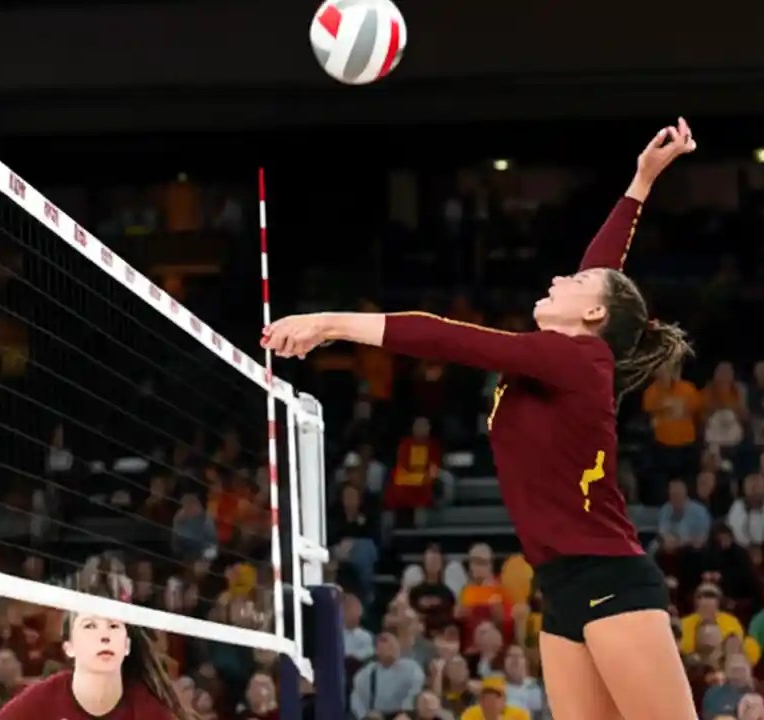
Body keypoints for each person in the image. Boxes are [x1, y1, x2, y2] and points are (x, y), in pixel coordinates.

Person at [263, 119, 699, 720]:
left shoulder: (577, 357)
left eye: (570, 281)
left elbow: (450, 340)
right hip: (563, 584)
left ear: (593, 311)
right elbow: (605, 271)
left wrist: (330, 324)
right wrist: (641, 182)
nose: (557, 277)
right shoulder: (579, 348)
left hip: (611, 577)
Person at [0, 613, 188, 719]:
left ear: (127, 646)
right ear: (69, 647)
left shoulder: (148, 710)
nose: (104, 637)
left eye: (113, 626)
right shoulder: (43, 699)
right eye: (90, 626)